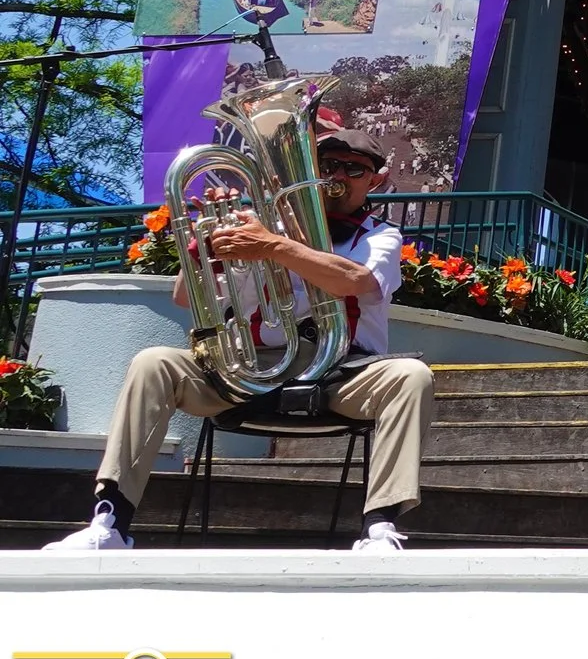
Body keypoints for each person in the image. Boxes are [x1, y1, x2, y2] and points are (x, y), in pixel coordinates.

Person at [45, 126, 434, 554]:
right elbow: (184, 298)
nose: (336, 175)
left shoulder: (379, 236)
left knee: (411, 375)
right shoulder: (256, 230)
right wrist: (203, 251)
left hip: (339, 374)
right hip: (245, 371)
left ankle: (380, 528)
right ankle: (110, 522)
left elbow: (356, 281)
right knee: (154, 361)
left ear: (375, 179)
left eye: (353, 169)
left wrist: (274, 246)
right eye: (326, 165)